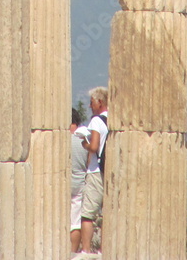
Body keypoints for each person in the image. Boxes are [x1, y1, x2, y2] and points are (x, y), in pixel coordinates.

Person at [80, 86, 109, 253]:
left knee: (87, 214)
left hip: (96, 170)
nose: (90, 106)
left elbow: (94, 146)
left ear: (99, 102)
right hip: (108, 170)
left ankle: (86, 250)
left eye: (92, 102)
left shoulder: (96, 121)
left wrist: (84, 142)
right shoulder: (112, 120)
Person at [70, 107, 91, 253]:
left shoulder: (64, 139)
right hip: (79, 182)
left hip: (64, 181)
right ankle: (72, 251)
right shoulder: (85, 140)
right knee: (75, 221)